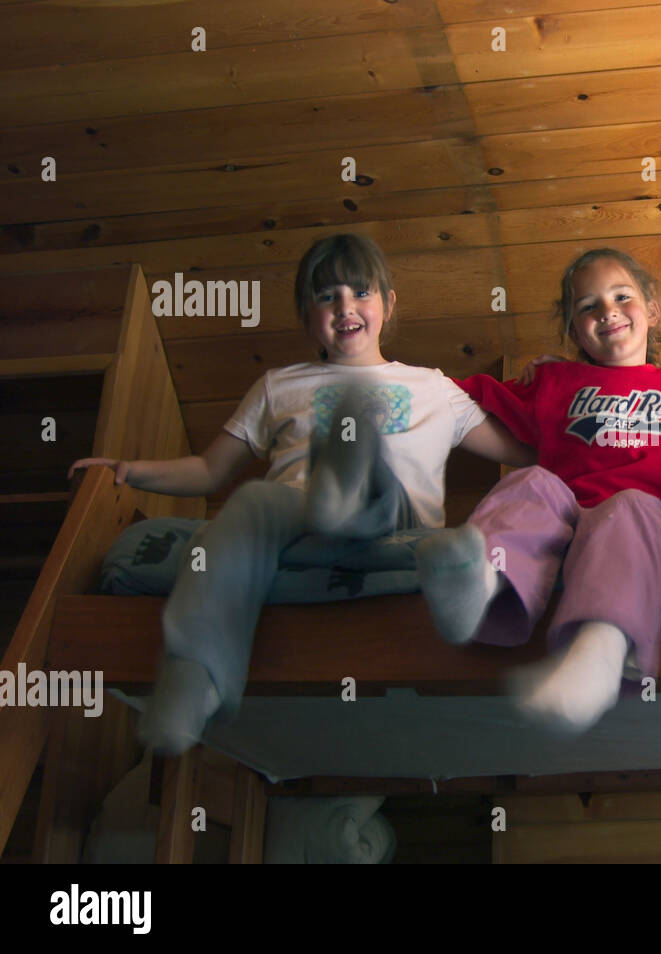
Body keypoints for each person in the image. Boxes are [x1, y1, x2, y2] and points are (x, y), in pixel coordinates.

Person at [69, 233, 534, 754]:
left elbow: (522, 452)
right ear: (305, 314)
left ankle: (357, 495)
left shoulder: (435, 388)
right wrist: (129, 470)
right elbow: (206, 470)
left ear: (389, 302)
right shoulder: (278, 385)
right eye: (327, 296)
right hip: (296, 526)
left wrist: (559, 397)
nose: (345, 307)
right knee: (251, 501)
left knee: (369, 460)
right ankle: (196, 676)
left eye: (360, 293)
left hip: (393, 527)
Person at [415, 248, 661, 734]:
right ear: (573, 330)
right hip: (564, 512)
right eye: (587, 306)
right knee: (529, 481)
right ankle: (476, 586)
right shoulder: (556, 381)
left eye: (621, 296)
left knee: (629, 505)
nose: (607, 311)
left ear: (651, 310)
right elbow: (457, 397)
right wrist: (389, 383)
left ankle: (598, 657)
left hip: (647, 522)